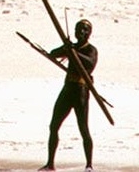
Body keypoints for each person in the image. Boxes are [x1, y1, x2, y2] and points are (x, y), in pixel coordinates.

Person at [40, 19, 99, 172]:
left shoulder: (91, 50)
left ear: (89, 33)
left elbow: (89, 64)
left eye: (85, 30)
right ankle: (50, 164)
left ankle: (89, 165)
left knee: (83, 128)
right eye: (79, 29)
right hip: (68, 89)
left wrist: (73, 52)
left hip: (81, 91)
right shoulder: (71, 47)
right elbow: (54, 54)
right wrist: (67, 48)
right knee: (54, 126)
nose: (81, 32)